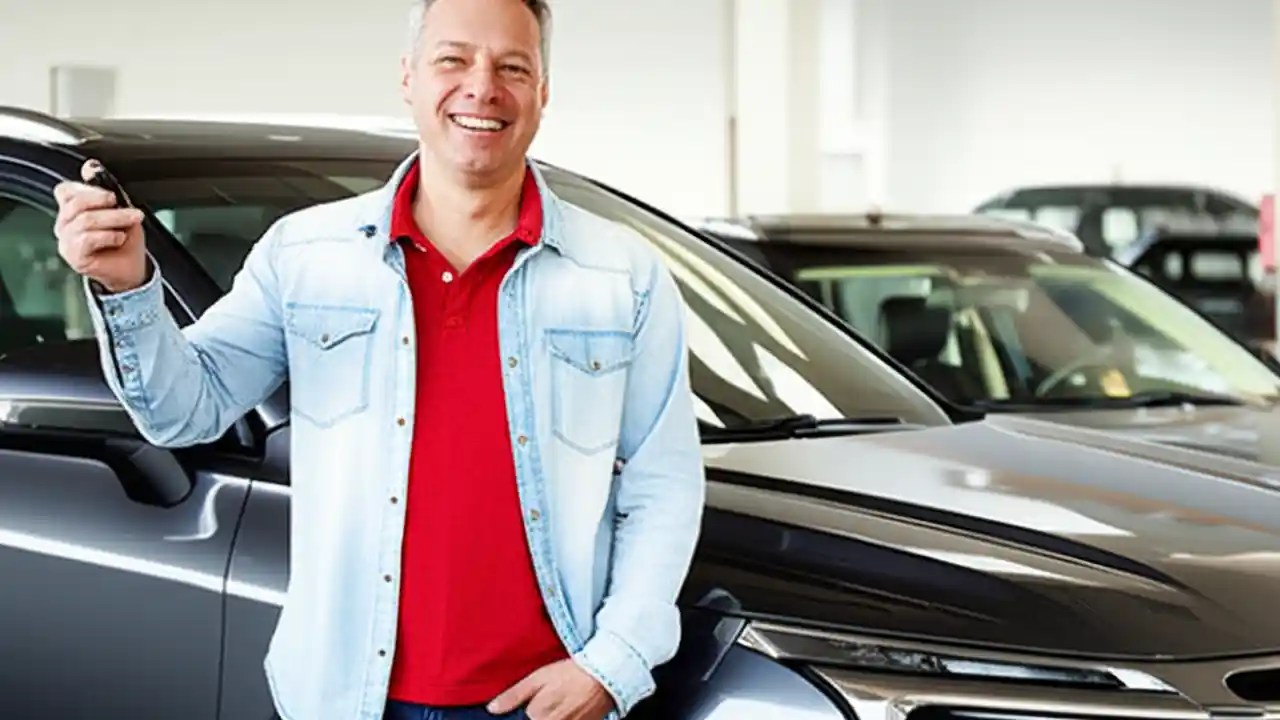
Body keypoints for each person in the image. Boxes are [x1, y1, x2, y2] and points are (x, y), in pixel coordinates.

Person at [50, 0, 706, 719]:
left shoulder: (622, 276)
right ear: (409, 78)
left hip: (544, 704)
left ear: (543, 90)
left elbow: (663, 485)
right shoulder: (305, 256)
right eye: (453, 59)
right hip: (344, 700)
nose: (481, 87)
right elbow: (183, 410)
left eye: (512, 66)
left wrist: (610, 666)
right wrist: (127, 287)